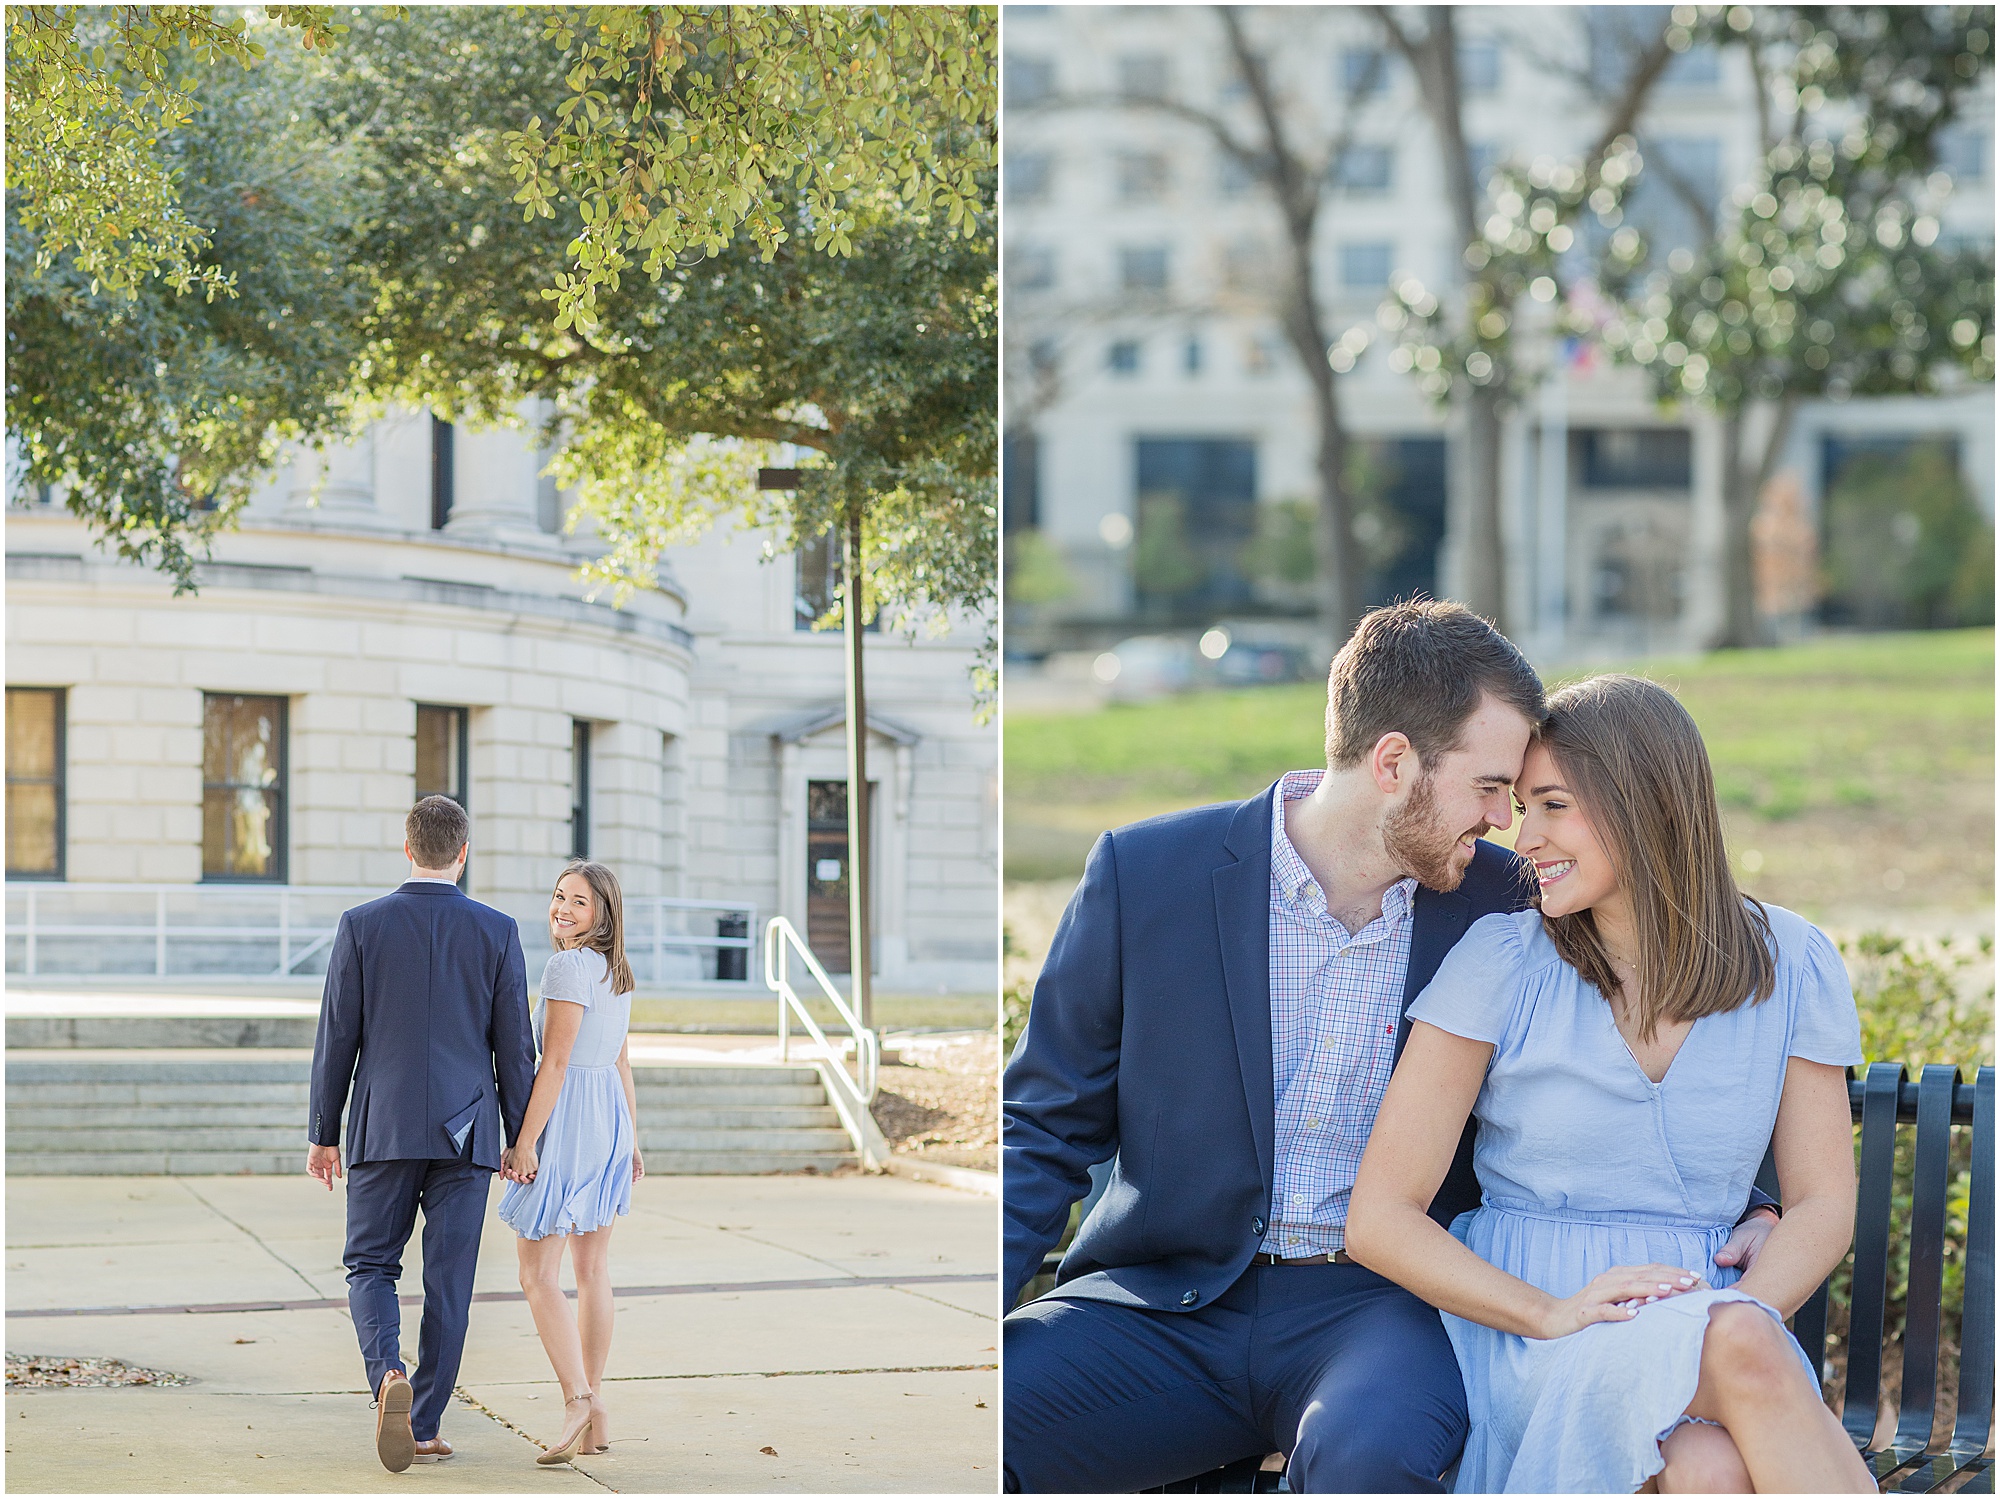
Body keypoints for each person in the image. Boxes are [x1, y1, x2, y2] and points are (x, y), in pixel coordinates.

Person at [1001, 602, 1779, 1494]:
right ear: (1395, 761)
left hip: (1387, 1308)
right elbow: (1043, 1125)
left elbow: (1627, 1045)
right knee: (998, 1414)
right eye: (1490, 785)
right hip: (1166, 1302)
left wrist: (1756, 1203)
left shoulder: (1513, 906)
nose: (1504, 819)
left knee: (1372, 1457)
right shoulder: (1146, 877)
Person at [1346, 674, 1873, 1493]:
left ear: (1645, 804)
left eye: (1553, 806)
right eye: (1524, 809)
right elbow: (1379, 1218)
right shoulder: (1503, 960)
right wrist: (1549, 1313)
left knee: (1707, 1462)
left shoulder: (1793, 962)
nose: (1524, 840)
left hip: (1719, 1318)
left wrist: (1742, 1315)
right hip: (1542, 1326)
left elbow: (1821, 1203)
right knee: (1734, 1356)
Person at [307, 795, 535, 1472]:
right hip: (467, 1133)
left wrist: (324, 1131)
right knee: (450, 1281)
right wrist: (522, 1138)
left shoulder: (360, 925)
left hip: (383, 1124)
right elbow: (514, 1049)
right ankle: (425, 1422)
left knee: (370, 1264)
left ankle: (386, 1376)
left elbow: (336, 1037)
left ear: (407, 848)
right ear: (462, 853)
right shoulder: (497, 930)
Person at [497, 858, 645, 1466]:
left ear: (603, 914)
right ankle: (599, 1409)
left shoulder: (566, 966)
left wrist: (526, 1141)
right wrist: (631, 1137)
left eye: (579, 901)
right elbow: (620, 1061)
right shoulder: (617, 973)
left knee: (537, 1275)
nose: (562, 908)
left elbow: (554, 1064)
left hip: (570, 1120)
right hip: (608, 1118)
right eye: (559, 896)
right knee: (592, 1271)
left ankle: (576, 1396)